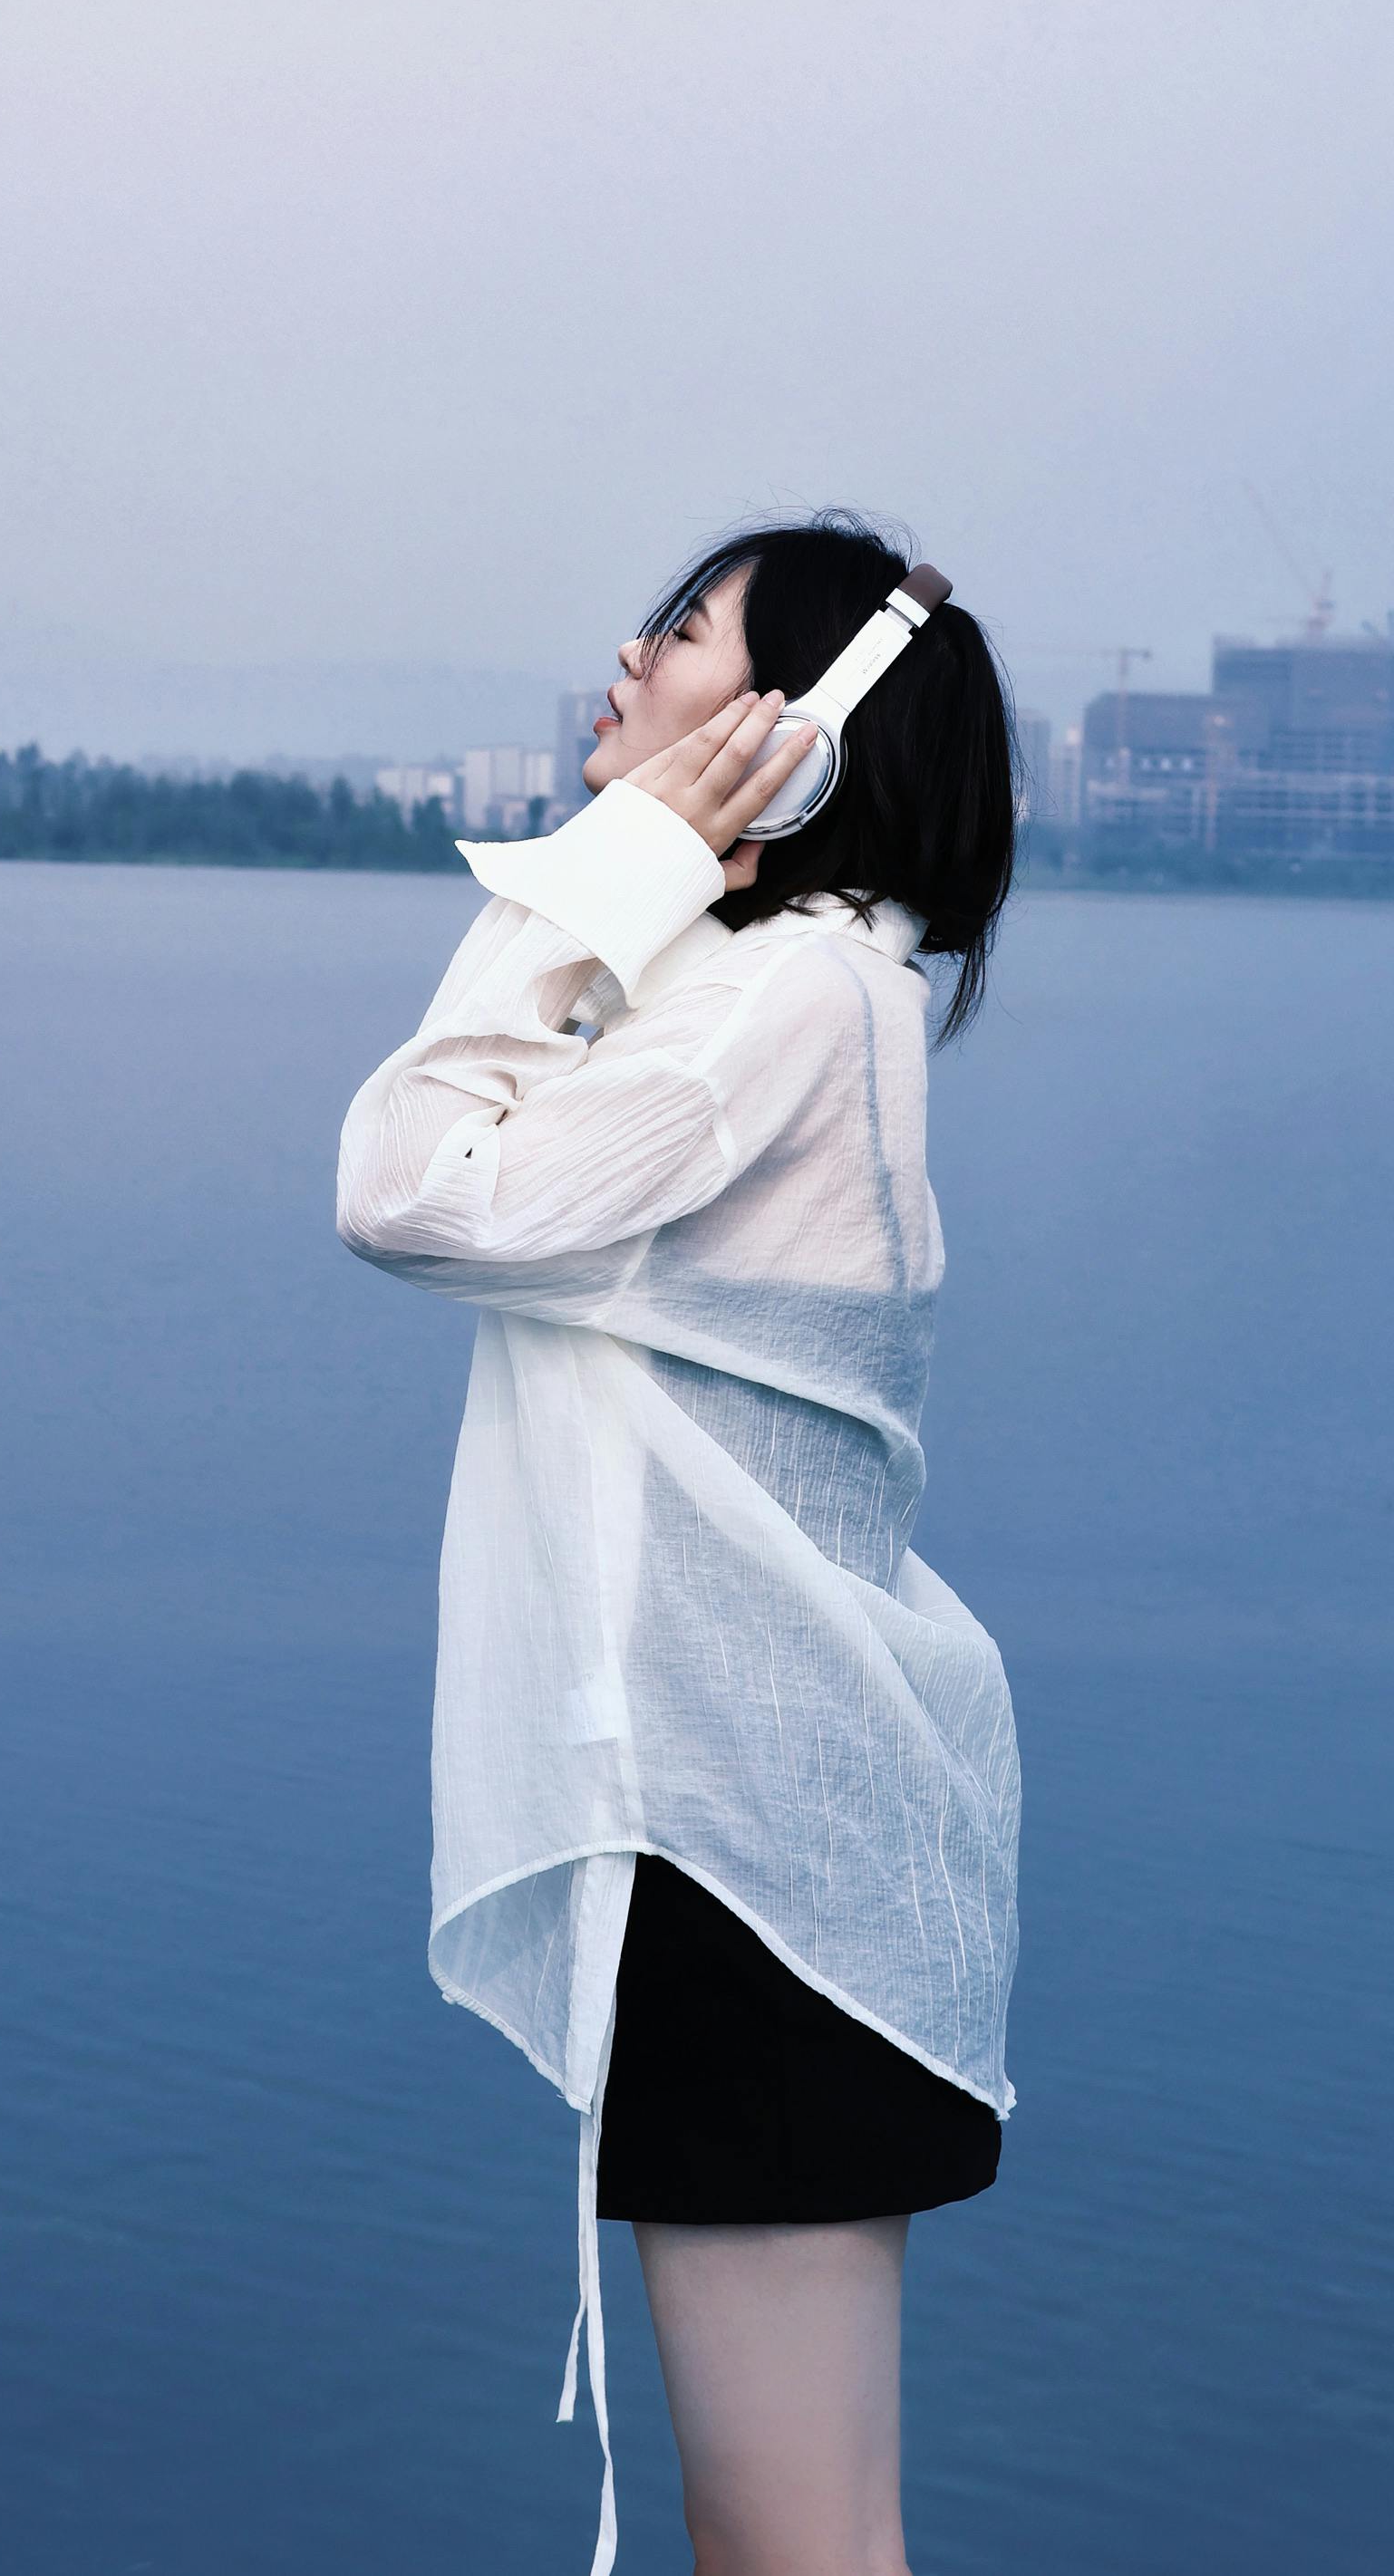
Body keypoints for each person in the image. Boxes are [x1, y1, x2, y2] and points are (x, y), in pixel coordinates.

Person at [338, 513, 1021, 2576]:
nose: (623, 660)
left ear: (793, 740)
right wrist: (636, 898)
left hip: (754, 1869)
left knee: (794, 2547)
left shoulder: (784, 1001)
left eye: (681, 630)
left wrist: (600, 881)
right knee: (786, 2540)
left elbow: (409, 1184)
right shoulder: (784, 989)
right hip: (770, 1841)